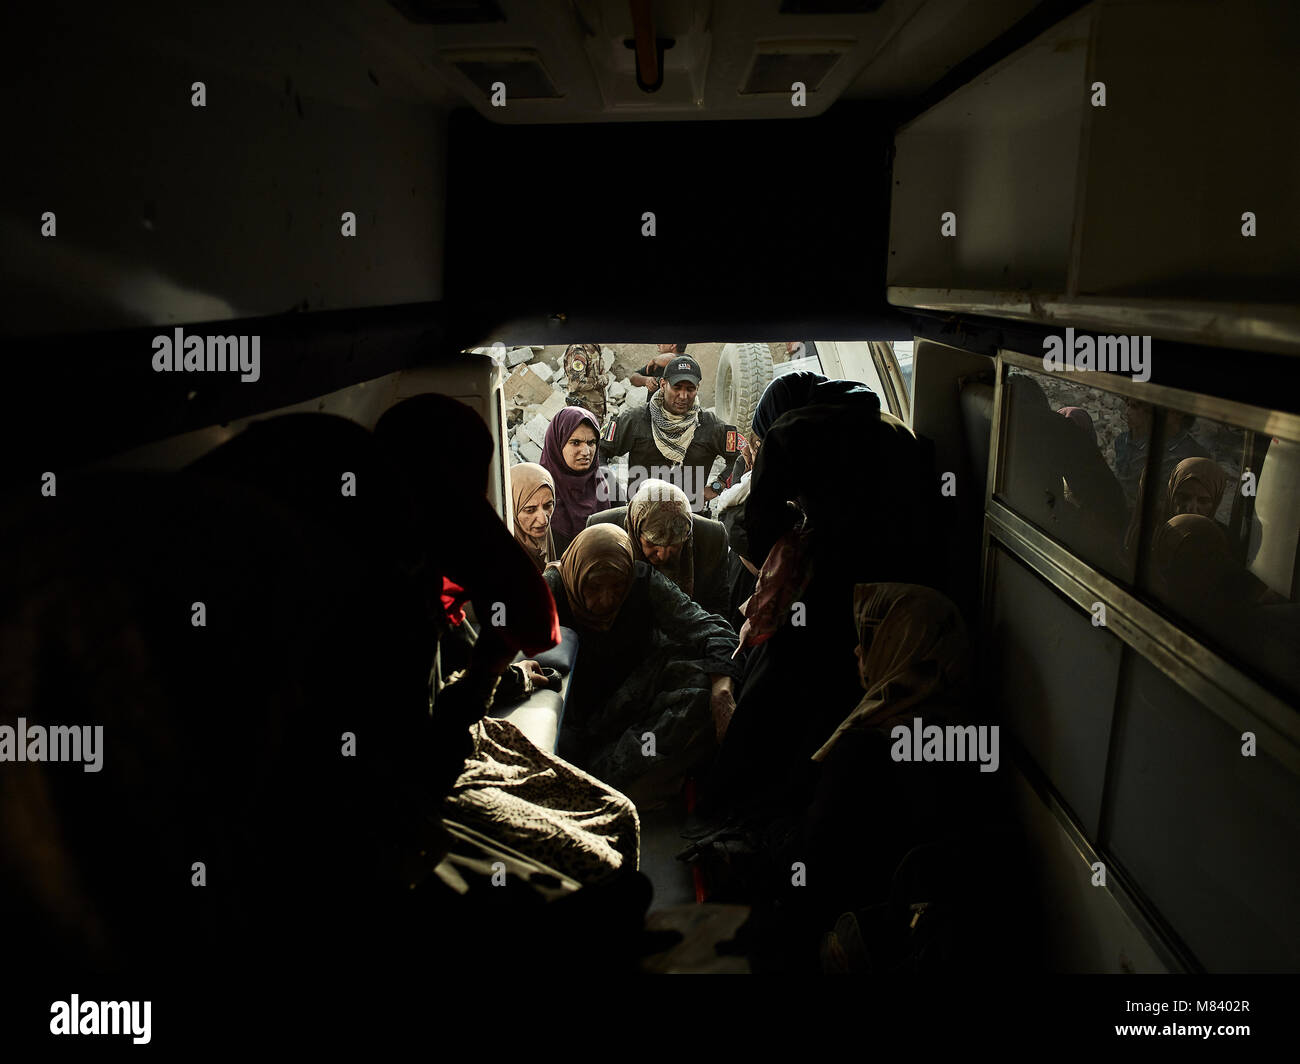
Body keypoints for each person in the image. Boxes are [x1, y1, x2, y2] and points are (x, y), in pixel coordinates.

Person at [705, 372, 945, 812]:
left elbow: (762, 531)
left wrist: (793, 546)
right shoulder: (892, 426)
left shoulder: (789, 430)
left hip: (836, 575)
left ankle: (740, 795)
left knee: (780, 669)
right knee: (852, 685)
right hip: (909, 588)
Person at [543, 524, 741, 800]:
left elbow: (711, 629)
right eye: (594, 586)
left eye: (617, 586)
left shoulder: (642, 580)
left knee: (702, 683)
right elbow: (512, 645)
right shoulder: (553, 587)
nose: (607, 600)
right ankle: (608, 778)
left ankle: (611, 773)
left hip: (636, 700)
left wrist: (722, 693)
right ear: (576, 576)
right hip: (578, 713)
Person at [598, 354, 740, 513]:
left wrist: (716, 487)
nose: (683, 396)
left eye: (690, 389)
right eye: (677, 387)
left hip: (690, 518)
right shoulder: (637, 420)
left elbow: (741, 458)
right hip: (643, 517)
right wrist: (614, 493)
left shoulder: (709, 425)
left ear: (697, 388)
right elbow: (599, 452)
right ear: (663, 384)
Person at [586, 478, 731, 618]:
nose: (663, 555)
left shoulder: (712, 539)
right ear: (635, 528)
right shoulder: (602, 530)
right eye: (652, 543)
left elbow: (718, 606)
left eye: (674, 544)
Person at [540, 405, 613, 557]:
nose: (586, 452)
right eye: (575, 443)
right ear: (557, 443)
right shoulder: (539, 493)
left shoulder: (607, 486)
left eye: (591, 443)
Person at [510, 461, 557, 570]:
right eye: (530, 510)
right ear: (512, 508)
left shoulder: (551, 536)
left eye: (548, 505)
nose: (543, 520)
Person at [1166, 456, 1228, 521]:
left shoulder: (1221, 531)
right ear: (1172, 493)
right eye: (1183, 497)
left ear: (1215, 502)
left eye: (1203, 501)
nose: (1190, 509)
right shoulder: (1155, 525)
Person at [562, 343, 610, 420]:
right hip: (583, 413)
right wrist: (601, 380)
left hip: (595, 411)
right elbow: (577, 382)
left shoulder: (594, 347)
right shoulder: (578, 350)